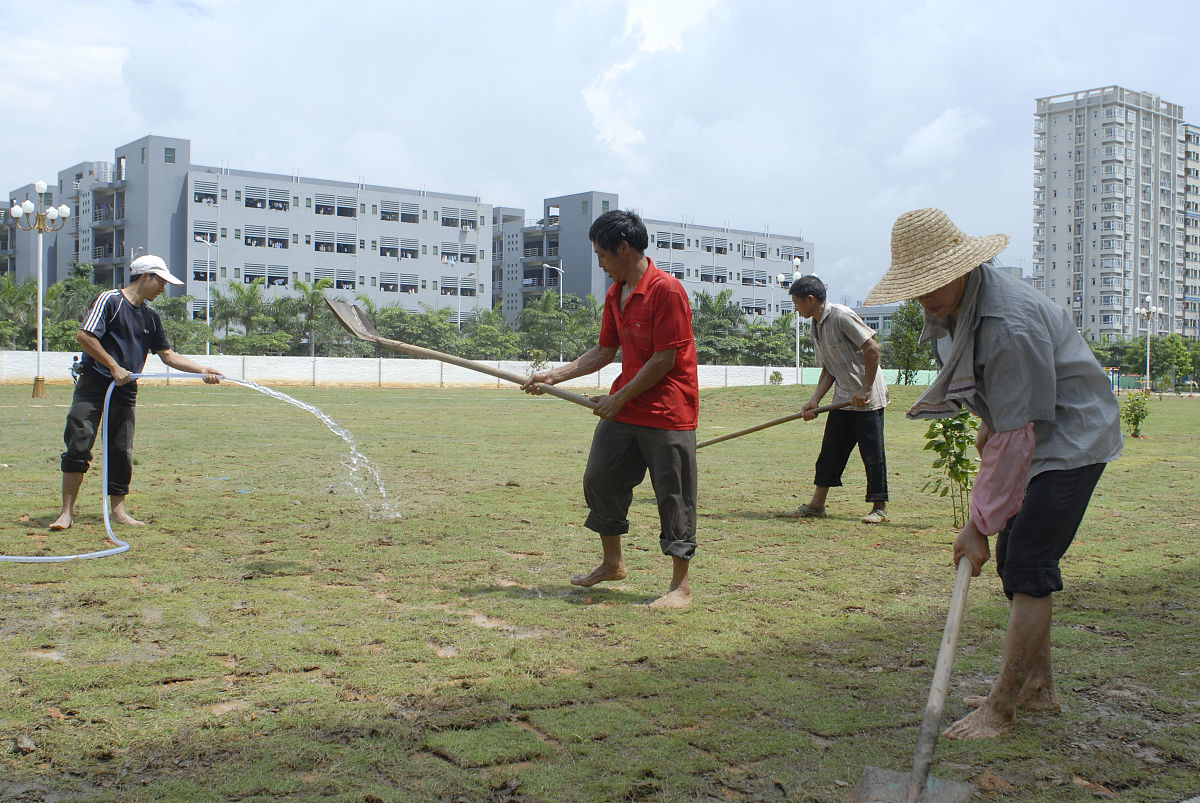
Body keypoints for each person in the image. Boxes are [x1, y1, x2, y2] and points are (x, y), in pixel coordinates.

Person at [864, 208, 1122, 739]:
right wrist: (992, 423)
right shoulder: (952, 307)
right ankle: (1039, 688)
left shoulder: (1009, 322)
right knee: (1017, 558)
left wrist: (977, 526)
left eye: (934, 281)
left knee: (1027, 561)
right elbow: (997, 407)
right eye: (916, 286)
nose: (925, 296)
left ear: (963, 266)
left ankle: (1002, 707)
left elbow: (1015, 438)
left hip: (1071, 440)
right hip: (1030, 430)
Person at [522, 210, 699, 609]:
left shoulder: (666, 291)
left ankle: (680, 588)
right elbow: (604, 350)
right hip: (626, 409)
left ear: (624, 248)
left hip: (667, 411)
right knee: (600, 479)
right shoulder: (615, 292)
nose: (599, 262)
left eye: (602, 254)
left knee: (674, 496)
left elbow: (664, 359)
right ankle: (613, 563)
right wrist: (554, 376)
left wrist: (618, 398)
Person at [49, 255, 222, 531]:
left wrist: (203, 370)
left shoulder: (151, 318)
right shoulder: (110, 301)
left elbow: (167, 355)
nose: (163, 290)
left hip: (125, 389)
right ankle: (66, 513)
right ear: (146, 277)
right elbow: (85, 336)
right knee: (79, 442)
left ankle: (118, 511)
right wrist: (113, 366)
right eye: (161, 283)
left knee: (120, 449)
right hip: (95, 384)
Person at [780, 274, 890, 524]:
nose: (796, 308)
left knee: (872, 454)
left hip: (867, 398)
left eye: (797, 302)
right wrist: (815, 399)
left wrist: (865, 389)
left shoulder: (841, 316)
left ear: (810, 299)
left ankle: (879, 507)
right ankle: (817, 505)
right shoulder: (815, 324)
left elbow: (873, 349)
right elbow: (829, 367)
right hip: (843, 397)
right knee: (830, 450)